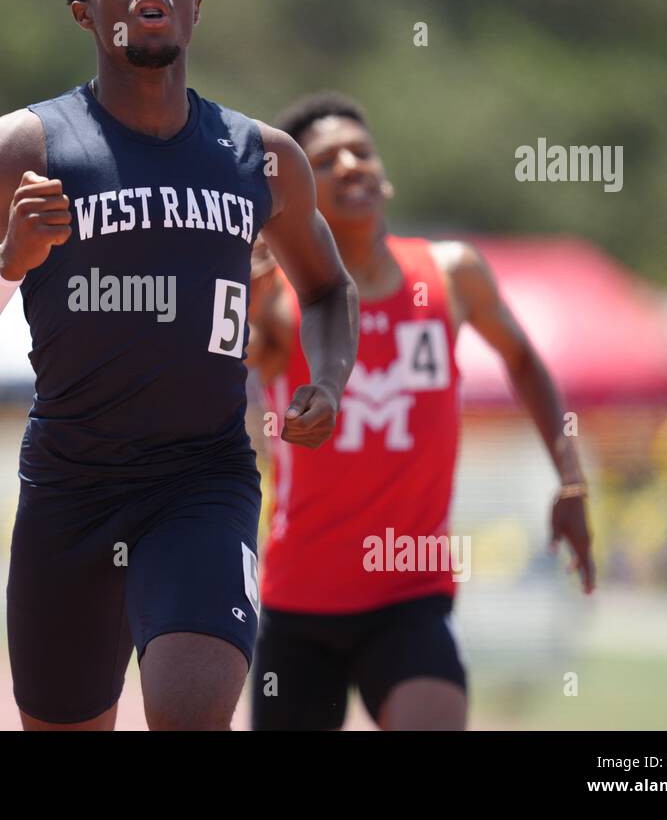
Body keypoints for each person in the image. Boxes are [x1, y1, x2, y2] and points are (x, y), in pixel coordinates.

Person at [0, 0, 358, 730]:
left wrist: (328, 381)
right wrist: (9, 264)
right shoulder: (23, 150)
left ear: (195, 3)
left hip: (202, 483)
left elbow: (330, 290)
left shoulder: (262, 159)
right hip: (69, 494)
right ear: (86, 12)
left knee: (190, 715)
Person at [247, 91, 594, 731]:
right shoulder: (276, 300)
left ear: (385, 174)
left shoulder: (451, 274)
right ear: (301, 194)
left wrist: (570, 480)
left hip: (410, 595)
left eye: (362, 151)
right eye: (325, 161)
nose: (351, 164)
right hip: (298, 602)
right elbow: (213, 377)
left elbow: (524, 362)